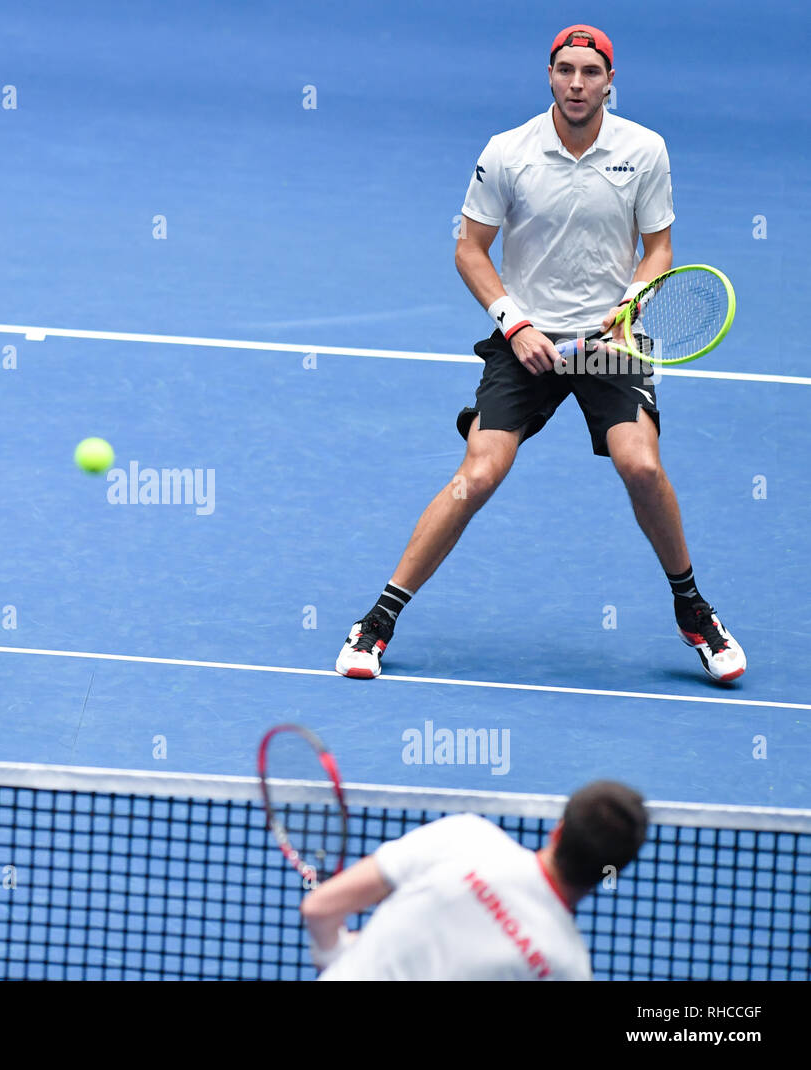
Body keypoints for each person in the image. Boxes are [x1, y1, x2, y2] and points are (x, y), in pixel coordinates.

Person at [336, 25, 745, 684]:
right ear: (549, 76)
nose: (576, 83)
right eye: (565, 70)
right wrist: (515, 323)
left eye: (589, 71)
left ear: (610, 80)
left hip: (608, 339)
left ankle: (693, 608)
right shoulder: (508, 152)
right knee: (478, 475)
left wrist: (631, 307)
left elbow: (659, 246)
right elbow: (470, 247)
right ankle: (377, 621)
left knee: (640, 466)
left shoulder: (645, 150)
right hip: (526, 337)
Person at [301, 779, 648, 980]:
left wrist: (333, 953)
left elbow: (319, 908)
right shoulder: (569, 968)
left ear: (558, 830)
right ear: (614, 870)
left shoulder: (467, 836)